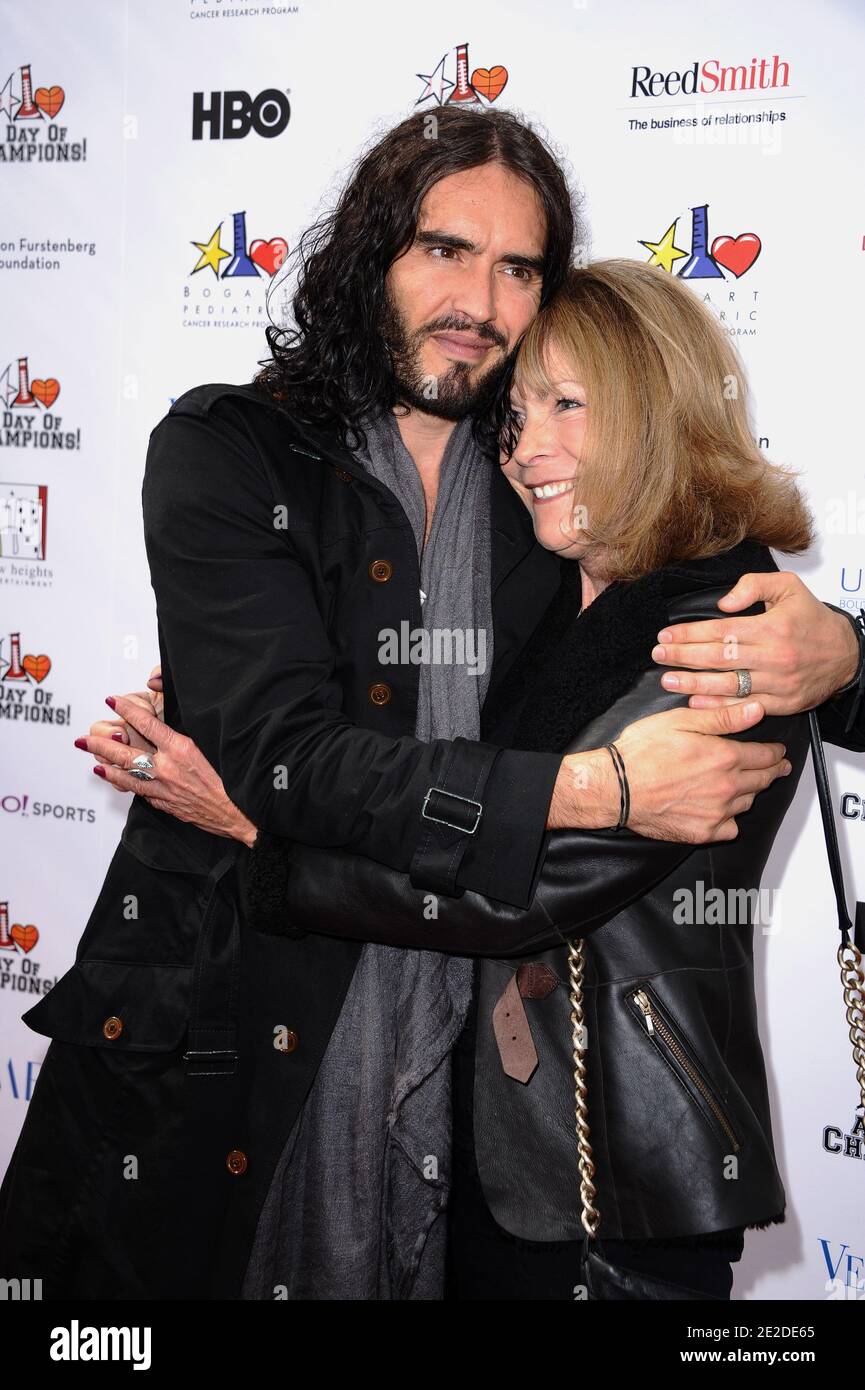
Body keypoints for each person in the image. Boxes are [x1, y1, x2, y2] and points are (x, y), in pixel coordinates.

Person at [1, 108, 862, 1301]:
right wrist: (594, 787)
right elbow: (287, 754)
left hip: (473, 1110)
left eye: (519, 268)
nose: (482, 300)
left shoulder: (543, 518)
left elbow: (542, 830)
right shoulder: (234, 451)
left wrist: (842, 648)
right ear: (372, 255)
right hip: (225, 1029)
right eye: (444, 249)